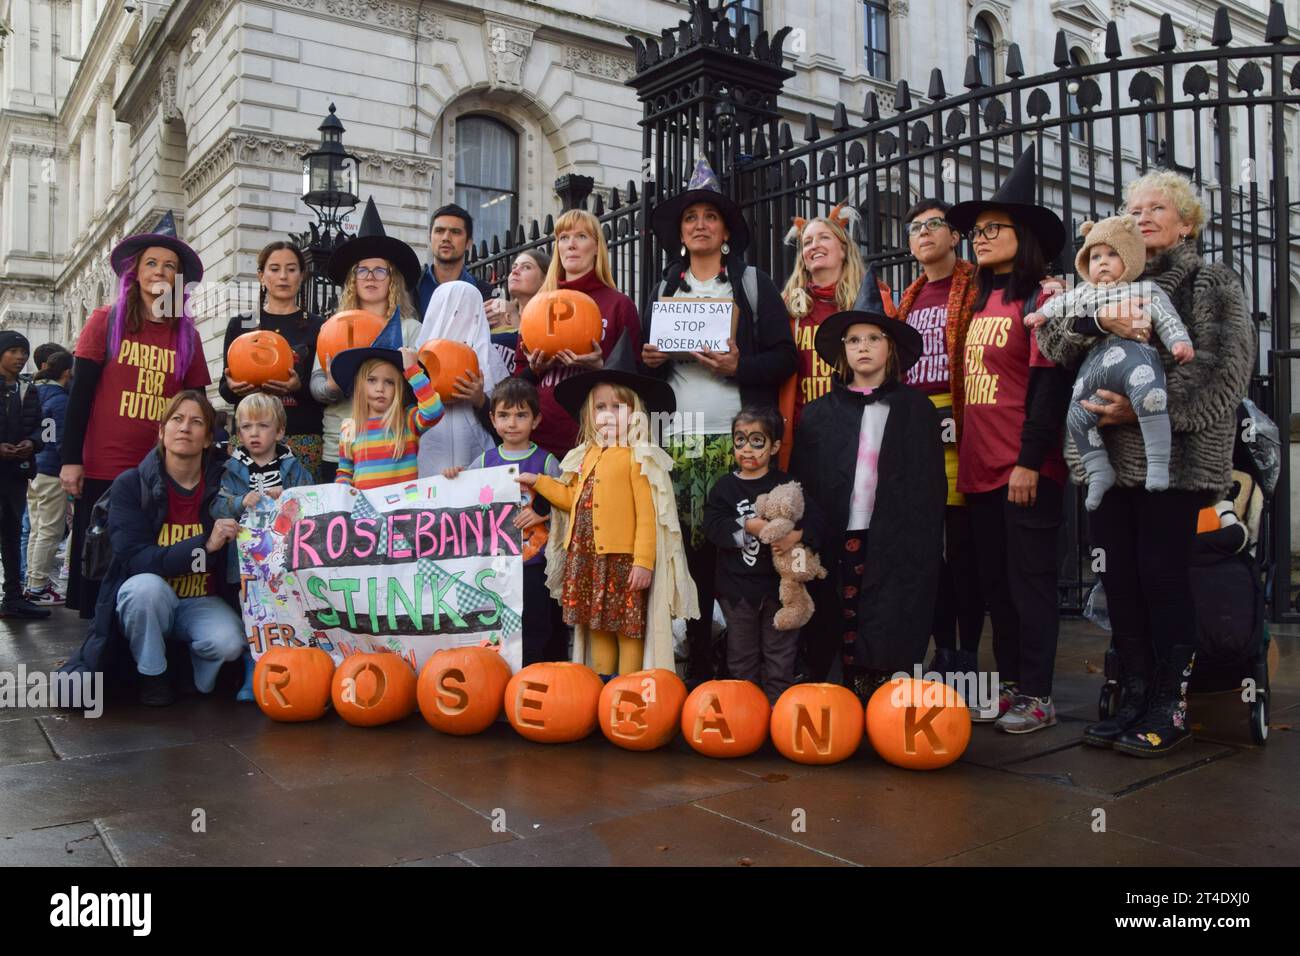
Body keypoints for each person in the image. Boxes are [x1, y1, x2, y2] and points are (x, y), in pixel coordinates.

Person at [1036, 170, 1254, 757]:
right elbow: (1052, 344)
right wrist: (1098, 321)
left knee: (1162, 576)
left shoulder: (1211, 282)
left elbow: (1220, 371)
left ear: (1186, 223)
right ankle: (1131, 693)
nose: (1142, 217)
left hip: (1174, 460)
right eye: (1132, 209)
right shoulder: (1102, 274)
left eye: (1158, 208)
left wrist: (1137, 407)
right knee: (1118, 578)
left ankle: (1170, 704)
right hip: (1103, 460)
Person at [640, 156, 797, 683]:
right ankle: (694, 658)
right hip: (678, 438)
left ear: (726, 230)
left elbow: (785, 356)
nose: (700, 224)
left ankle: (738, 661)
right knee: (684, 552)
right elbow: (644, 364)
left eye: (710, 216)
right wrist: (651, 360)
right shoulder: (667, 288)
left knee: (732, 550)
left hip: (738, 441)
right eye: (691, 218)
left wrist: (740, 364)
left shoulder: (751, 285)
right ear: (681, 234)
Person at [944, 144, 1073, 733]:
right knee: (996, 588)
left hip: (1025, 469)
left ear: (1024, 232)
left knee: (1030, 585)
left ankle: (1040, 695)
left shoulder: (1043, 299)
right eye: (976, 229)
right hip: (976, 469)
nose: (980, 236)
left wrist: (1029, 461)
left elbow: (1048, 390)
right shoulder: (979, 299)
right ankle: (1014, 684)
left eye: (993, 228)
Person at [792, 271, 946, 698]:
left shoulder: (916, 410)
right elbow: (807, 479)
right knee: (836, 601)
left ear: (889, 348)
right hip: (837, 528)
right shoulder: (821, 414)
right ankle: (831, 681)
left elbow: (927, 486)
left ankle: (876, 679)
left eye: (873, 339)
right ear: (843, 350)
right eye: (854, 340)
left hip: (892, 533)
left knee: (883, 604)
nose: (863, 347)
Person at [61, 211, 211, 618]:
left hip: (159, 469)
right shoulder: (104, 322)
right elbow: (79, 397)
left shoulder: (187, 335)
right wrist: (70, 460)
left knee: (146, 561)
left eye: (170, 266)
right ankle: (98, 647)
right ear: (135, 271)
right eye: (151, 263)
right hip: (105, 465)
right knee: (102, 560)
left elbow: (195, 401)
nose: (160, 272)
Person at [520, 335, 697, 676]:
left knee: (627, 629)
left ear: (635, 412)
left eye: (617, 407)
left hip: (622, 561)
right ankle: (600, 686)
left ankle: (627, 685)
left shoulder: (638, 458)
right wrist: (540, 483)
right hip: (587, 558)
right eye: (600, 408)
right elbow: (572, 500)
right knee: (597, 624)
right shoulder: (585, 455)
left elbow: (649, 515)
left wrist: (644, 562)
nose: (607, 415)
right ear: (589, 413)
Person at [62, 391, 245, 706]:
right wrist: (205, 544)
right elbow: (134, 560)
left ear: (206, 439)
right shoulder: (132, 485)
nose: (184, 428)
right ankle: (153, 674)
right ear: (162, 432)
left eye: (196, 422)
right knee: (143, 589)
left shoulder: (226, 485)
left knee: (229, 642)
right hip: (152, 597)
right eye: (176, 419)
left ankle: (190, 669)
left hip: (202, 599)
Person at [1025, 214, 1193, 510]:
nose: (1102, 262)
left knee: (1151, 397)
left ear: (1130, 258)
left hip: (1136, 359)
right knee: (1077, 415)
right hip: (1095, 367)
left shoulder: (1145, 290)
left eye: (1112, 254)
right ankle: (1098, 469)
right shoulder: (1083, 292)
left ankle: (1157, 462)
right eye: (1095, 256)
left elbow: (1167, 319)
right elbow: (1059, 307)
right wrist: (1041, 315)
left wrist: (1179, 342)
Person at [895, 198, 986, 690]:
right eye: (915, 228)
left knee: (964, 553)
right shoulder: (908, 300)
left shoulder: (977, 286)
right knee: (926, 553)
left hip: (965, 425)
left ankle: (967, 655)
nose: (924, 233)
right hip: (919, 432)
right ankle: (942, 652)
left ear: (954, 236)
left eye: (934, 225)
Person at [704, 405, 821, 703]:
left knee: (780, 657)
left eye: (757, 441)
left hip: (780, 592)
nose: (747, 449)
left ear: (774, 446)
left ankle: (776, 717)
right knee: (742, 659)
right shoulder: (724, 488)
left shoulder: (786, 486)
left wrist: (795, 535)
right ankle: (747, 716)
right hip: (737, 590)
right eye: (740, 440)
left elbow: (818, 521)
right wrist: (750, 526)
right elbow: (713, 527)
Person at [445, 377, 566, 664]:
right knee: (502, 622)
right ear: (492, 418)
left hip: (535, 564)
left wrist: (543, 514)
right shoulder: (485, 461)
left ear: (535, 420)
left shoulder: (546, 462)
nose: (512, 423)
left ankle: (539, 670)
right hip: (496, 565)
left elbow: (567, 501)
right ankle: (503, 672)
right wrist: (454, 475)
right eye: (504, 415)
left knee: (537, 623)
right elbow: (463, 497)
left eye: (521, 415)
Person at [312, 197, 425, 483]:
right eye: (362, 270)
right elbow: (315, 383)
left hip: (393, 449)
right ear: (353, 279)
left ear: (393, 279)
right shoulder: (334, 327)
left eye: (380, 270)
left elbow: (422, 388)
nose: (370, 277)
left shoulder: (411, 329)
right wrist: (332, 386)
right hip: (342, 442)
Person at [212, 393, 314, 700]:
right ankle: (252, 670)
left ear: (279, 431)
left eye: (263, 425)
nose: (254, 433)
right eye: (246, 427)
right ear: (238, 433)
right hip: (243, 563)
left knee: (285, 615)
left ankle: (291, 668)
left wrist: (289, 495)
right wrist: (240, 501)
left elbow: (313, 499)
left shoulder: (292, 466)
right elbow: (216, 507)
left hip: (283, 560)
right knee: (250, 617)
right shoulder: (232, 469)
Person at [517, 209, 642, 459]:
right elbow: (518, 381)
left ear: (597, 247)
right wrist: (535, 369)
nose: (571, 245)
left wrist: (601, 367)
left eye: (581, 236)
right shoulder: (537, 305)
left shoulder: (619, 304)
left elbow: (637, 378)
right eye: (563, 238)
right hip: (541, 437)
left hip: (595, 437)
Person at [777, 205, 883, 465]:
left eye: (824, 237)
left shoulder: (871, 300)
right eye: (807, 242)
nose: (814, 245)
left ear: (844, 249)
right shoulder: (786, 306)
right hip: (804, 433)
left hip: (855, 431)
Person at [218, 241, 324, 478]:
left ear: (302, 275)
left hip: (302, 436)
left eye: (291, 269)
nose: (283, 276)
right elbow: (224, 389)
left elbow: (325, 390)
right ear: (261, 276)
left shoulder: (319, 326)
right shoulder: (241, 324)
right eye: (275, 269)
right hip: (250, 437)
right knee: (248, 509)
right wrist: (235, 389)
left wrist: (298, 387)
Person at [330, 311, 444, 490]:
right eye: (372, 380)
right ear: (360, 385)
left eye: (389, 382)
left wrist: (413, 371)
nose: (380, 388)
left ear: (399, 388)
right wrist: (341, 495)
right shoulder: (349, 428)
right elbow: (345, 472)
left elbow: (434, 411)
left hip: (406, 510)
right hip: (367, 513)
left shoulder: (407, 420)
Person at [416, 280, 509, 474]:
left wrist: (480, 400)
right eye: (453, 311)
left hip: (477, 457)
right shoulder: (416, 358)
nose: (460, 319)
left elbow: (507, 419)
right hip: (428, 453)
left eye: (469, 312)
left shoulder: (491, 359)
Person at [0, 331, 49, 619]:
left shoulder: (28, 389)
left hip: (17, 473)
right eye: (14, 350)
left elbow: (43, 429)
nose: (20, 357)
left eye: (24, 351)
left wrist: (32, 443)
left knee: (12, 533)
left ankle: (13, 598)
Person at [24, 349, 73, 607]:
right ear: (67, 372)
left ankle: (32, 581)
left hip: (34, 469)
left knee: (36, 529)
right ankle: (37, 586)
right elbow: (62, 439)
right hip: (52, 470)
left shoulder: (35, 392)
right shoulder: (60, 400)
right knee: (50, 531)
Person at [415, 203, 495, 318]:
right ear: (430, 238)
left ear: (468, 243)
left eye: (455, 232)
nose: (446, 238)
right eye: (439, 231)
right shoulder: (409, 287)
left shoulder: (485, 294)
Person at [484, 249, 551, 376]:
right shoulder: (498, 318)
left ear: (545, 279)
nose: (515, 271)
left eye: (526, 267)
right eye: (514, 267)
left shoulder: (551, 325)